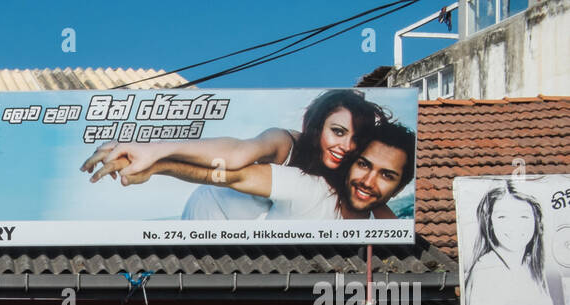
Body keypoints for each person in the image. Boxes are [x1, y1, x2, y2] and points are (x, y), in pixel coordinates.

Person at [82, 90, 385, 220]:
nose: (345, 146)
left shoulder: (352, 175)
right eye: (338, 132)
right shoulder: (287, 142)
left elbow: (388, 220)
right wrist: (152, 153)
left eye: (356, 139)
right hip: (212, 212)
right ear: (318, 126)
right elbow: (237, 154)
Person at [89, 122, 415, 223]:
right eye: (363, 165)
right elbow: (232, 172)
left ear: (400, 186)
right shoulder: (311, 188)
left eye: (386, 176)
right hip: (210, 218)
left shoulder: (385, 226)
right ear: (351, 162)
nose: (368, 182)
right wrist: (156, 164)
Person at [464, 184, 559, 305]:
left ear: (536, 221)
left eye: (524, 216)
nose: (514, 225)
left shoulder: (534, 267)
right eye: (503, 216)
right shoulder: (487, 269)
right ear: (490, 223)